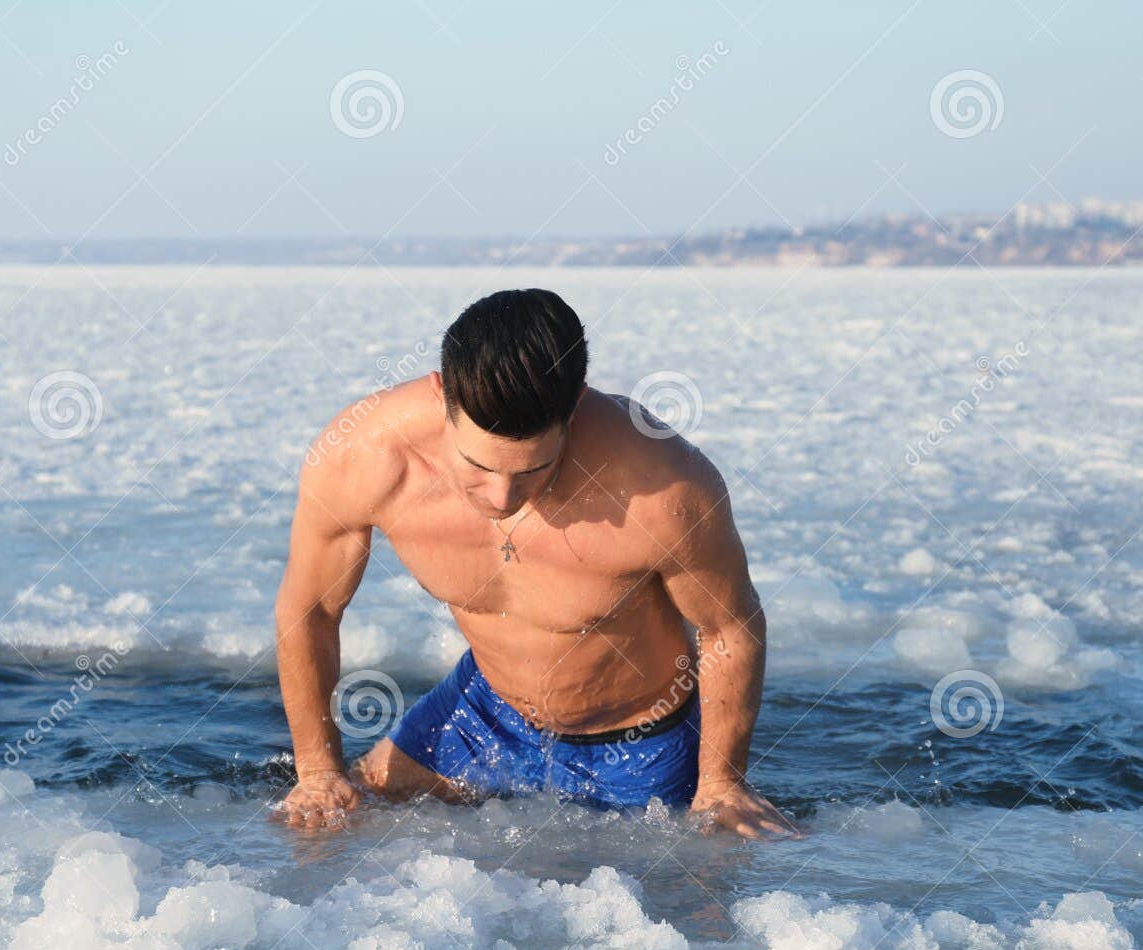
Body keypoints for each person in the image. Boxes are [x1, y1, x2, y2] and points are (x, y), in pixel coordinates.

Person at [273, 288, 799, 838]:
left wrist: (721, 783)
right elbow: (309, 611)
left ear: (573, 409)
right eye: (478, 466)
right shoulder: (362, 458)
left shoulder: (662, 489)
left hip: (641, 742)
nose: (502, 498)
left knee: (677, 893)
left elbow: (729, 628)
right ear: (442, 393)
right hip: (483, 711)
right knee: (338, 827)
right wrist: (317, 771)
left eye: (531, 470)